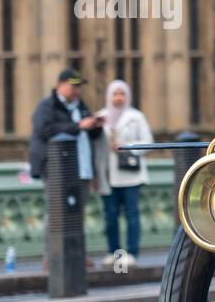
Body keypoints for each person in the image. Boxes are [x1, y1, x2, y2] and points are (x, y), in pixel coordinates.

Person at [99, 79, 152, 262]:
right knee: (110, 216)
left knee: (131, 214)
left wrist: (126, 146)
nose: (118, 98)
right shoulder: (101, 117)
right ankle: (113, 252)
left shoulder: (136, 116)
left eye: (122, 94)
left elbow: (147, 143)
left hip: (130, 175)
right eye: (115, 94)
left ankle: (131, 252)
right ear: (109, 96)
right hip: (108, 174)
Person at [29, 68, 105, 185]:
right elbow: (44, 130)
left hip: (83, 169)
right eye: (73, 86)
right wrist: (78, 126)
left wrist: (96, 125)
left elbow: (92, 136)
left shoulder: (81, 106)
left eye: (79, 86)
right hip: (58, 169)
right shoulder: (47, 105)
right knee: (59, 202)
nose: (77, 90)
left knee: (81, 203)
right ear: (60, 85)